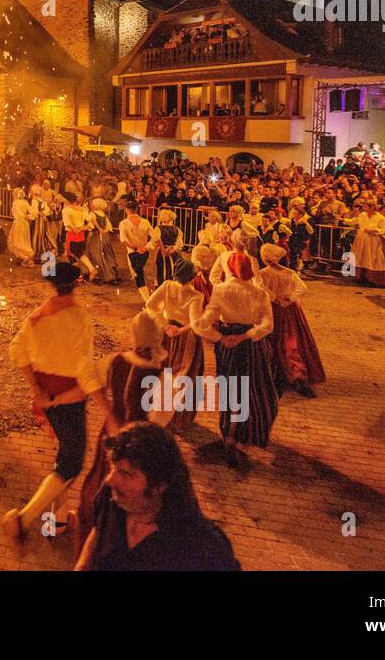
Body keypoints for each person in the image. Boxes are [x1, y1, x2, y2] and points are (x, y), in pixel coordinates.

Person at [2, 262, 119, 540]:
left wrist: (37, 390)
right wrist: (107, 410)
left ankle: (58, 520)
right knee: (71, 463)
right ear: (77, 284)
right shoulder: (80, 319)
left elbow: (17, 351)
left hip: (47, 395)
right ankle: (24, 518)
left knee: (66, 452)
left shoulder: (37, 315)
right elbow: (84, 370)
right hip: (67, 398)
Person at [74, 422, 240, 571]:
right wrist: (83, 565)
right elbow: (100, 528)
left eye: (126, 473)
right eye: (113, 468)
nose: (110, 480)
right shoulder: (113, 498)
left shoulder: (203, 548)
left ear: (160, 485)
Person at [192, 250, 278, 467]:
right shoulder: (260, 293)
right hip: (252, 347)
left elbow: (203, 324)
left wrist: (220, 337)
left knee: (230, 390)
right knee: (256, 392)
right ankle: (242, 439)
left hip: (227, 346)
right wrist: (245, 335)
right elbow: (268, 326)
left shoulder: (220, 289)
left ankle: (229, 434)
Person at [143, 258, 206, 432]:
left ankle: (155, 412)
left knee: (161, 372)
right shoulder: (196, 296)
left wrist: (164, 324)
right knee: (183, 377)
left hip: (165, 335)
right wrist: (180, 330)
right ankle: (177, 419)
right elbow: (195, 322)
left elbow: (150, 305)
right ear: (192, 277)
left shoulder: (167, 285)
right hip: (185, 338)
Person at [256, 243, 325, 397]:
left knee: (274, 340)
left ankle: (277, 374)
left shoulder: (262, 274)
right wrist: (290, 299)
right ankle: (297, 375)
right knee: (293, 341)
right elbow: (302, 288)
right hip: (291, 310)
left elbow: (261, 289)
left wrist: (276, 299)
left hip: (273, 310)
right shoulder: (290, 272)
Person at [348, 196, 385, 287]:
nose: (364, 208)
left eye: (366, 206)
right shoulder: (363, 215)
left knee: (373, 259)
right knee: (362, 257)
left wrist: (376, 230)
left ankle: (374, 279)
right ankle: (361, 277)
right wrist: (343, 220)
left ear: (372, 207)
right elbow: (355, 221)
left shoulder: (380, 217)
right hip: (362, 240)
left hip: (374, 241)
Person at [118, 200, 155, 302]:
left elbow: (123, 240)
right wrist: (146, 247)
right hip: (144, 252)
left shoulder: (123, 223)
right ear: (137, 209)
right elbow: (154, 237)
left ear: (126, 210)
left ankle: (148, 301)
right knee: (140, 273)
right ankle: (149, 296)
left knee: (137, 276)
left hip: (132, 253)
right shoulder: (145, 222)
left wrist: (136, 248)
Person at [153, 208, 183, 287]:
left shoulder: (158, 228)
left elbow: (156, 241)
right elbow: (179, 243)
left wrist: (164, 250)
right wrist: (173, 250)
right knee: (173, 270)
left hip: (162, 253)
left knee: (162, 270)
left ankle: (162, 288)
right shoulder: (177, 229)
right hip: (174, 254)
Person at [8, 188, 36, 266]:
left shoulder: (15, 203)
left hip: (18, 224)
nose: (13, 195)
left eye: (14, 193)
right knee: (25, 241)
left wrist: (23, 216)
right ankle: (26, 257)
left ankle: (25, 258)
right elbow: (33, 212)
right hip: (25, 224)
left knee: (17, 241)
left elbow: (17, 213)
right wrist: (28, 217)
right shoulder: (25, 202)